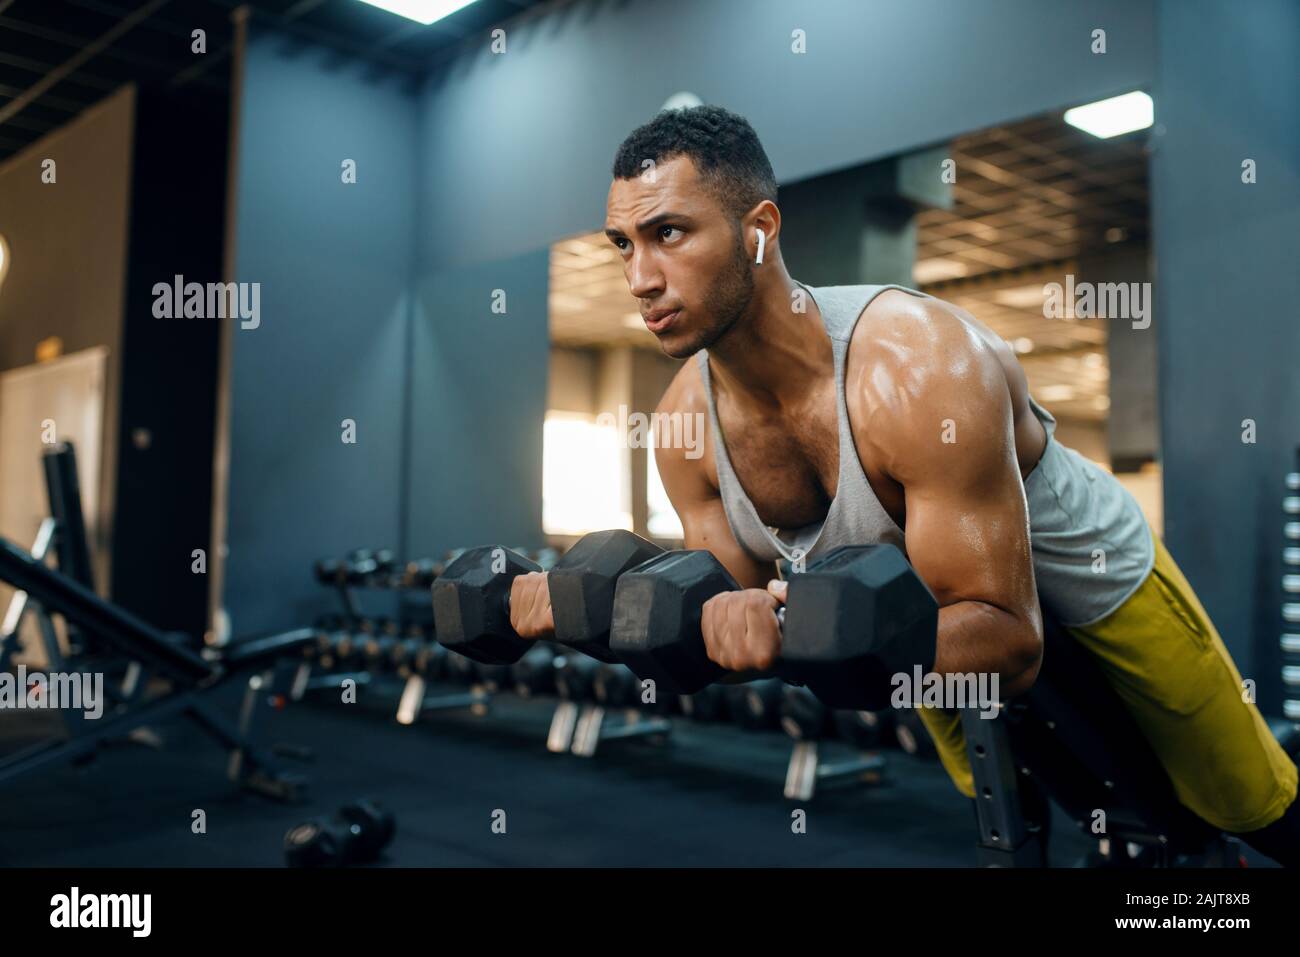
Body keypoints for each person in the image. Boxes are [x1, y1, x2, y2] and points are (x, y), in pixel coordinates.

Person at [509, 104, 1297, 865]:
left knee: (1250, 803)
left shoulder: (920, 366)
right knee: (1023, 802)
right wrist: (592, 617)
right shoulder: (686, 434)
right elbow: (728, 626)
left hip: (1086, 577)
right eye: (622, 243)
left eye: (668, 233)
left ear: (758, 230)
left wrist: (792, 627)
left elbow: (1010, 642)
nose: (639, 277)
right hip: (912, 609)